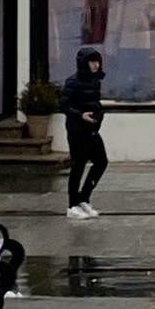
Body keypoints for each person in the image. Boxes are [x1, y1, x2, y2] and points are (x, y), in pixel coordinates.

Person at [62, 44, 109, 215]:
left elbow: (94, 102)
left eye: (98, 61)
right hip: (77, 130)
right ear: (84, 63)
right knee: (78, 165)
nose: (96, 65)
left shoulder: (95, 81)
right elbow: (65, 105)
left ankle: (84, 197)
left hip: (92, 129)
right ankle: (72, 204)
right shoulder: (73, 82)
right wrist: (80, 115)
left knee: (101, 162)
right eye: (92, 62)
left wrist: (98, 115)